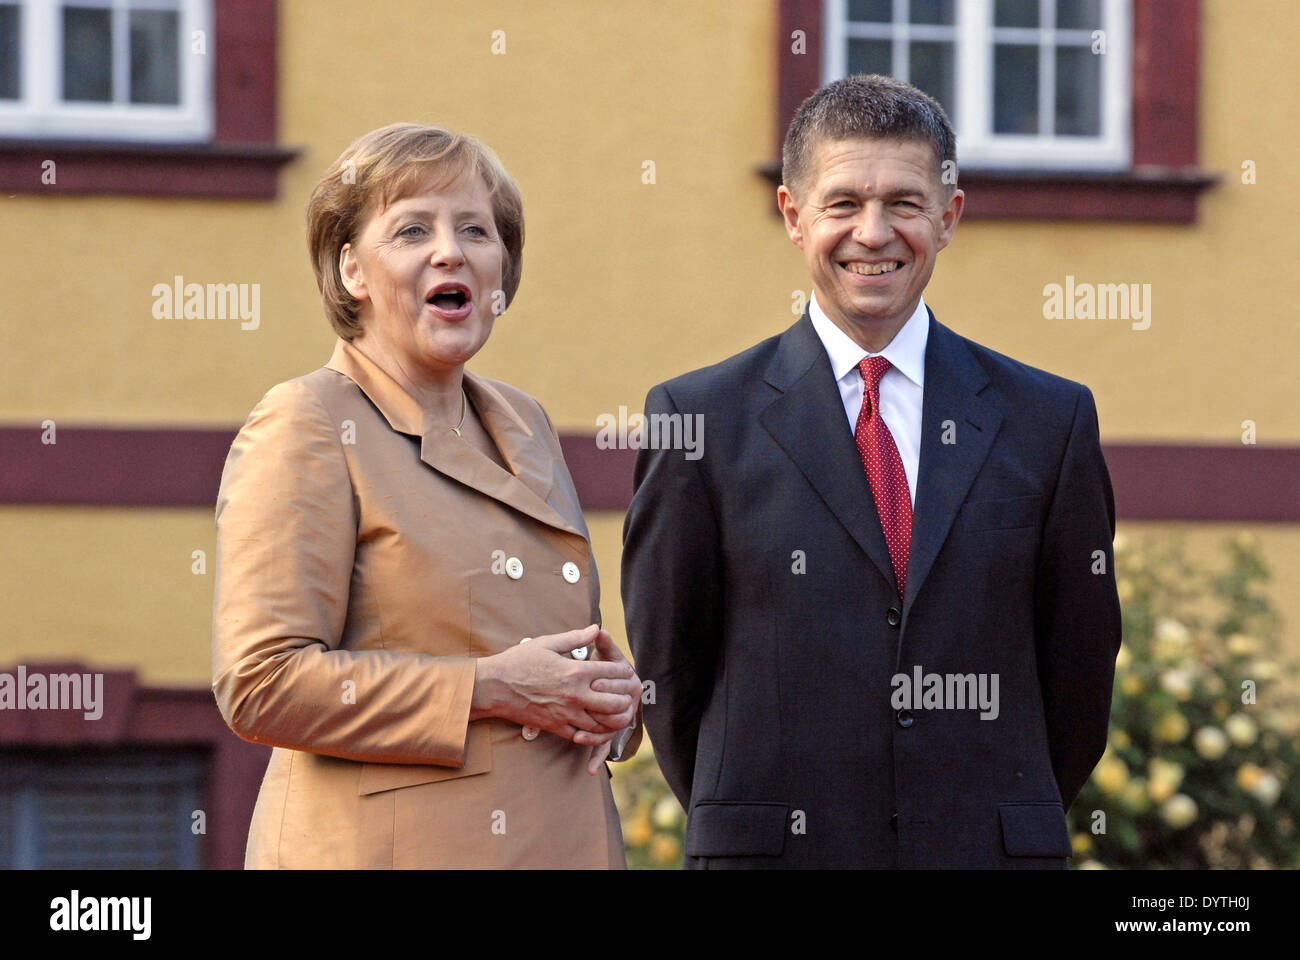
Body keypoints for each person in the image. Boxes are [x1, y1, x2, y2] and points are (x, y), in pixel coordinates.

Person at [621, 75, 1122, 868]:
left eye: (905, 204)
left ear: (949, 216)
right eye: (843, 203)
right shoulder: (699, 420)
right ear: (793, 215)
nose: (873, 232)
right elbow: (671, 672)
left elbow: (1079, 670)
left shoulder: (1049, 421)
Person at [212, 122, 641, 869]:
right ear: (352, 271)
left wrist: (606, 701)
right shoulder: (308, 420)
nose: (452, 250)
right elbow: (261, 683)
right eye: (412, 229)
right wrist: (489, 688)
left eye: (475, 229)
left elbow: (541, 654)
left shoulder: (525, 422)